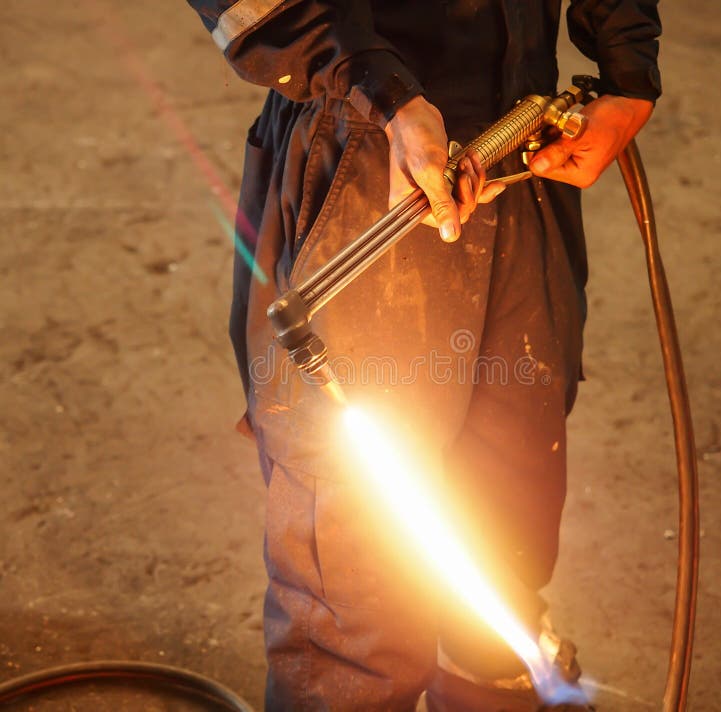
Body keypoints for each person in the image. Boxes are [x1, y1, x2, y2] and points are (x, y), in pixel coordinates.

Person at [187, 2, 661, 710]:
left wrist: (629, 70)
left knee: (504, 518)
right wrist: (385, 93)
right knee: (356, 580)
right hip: (364, 159)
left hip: (518, 149)